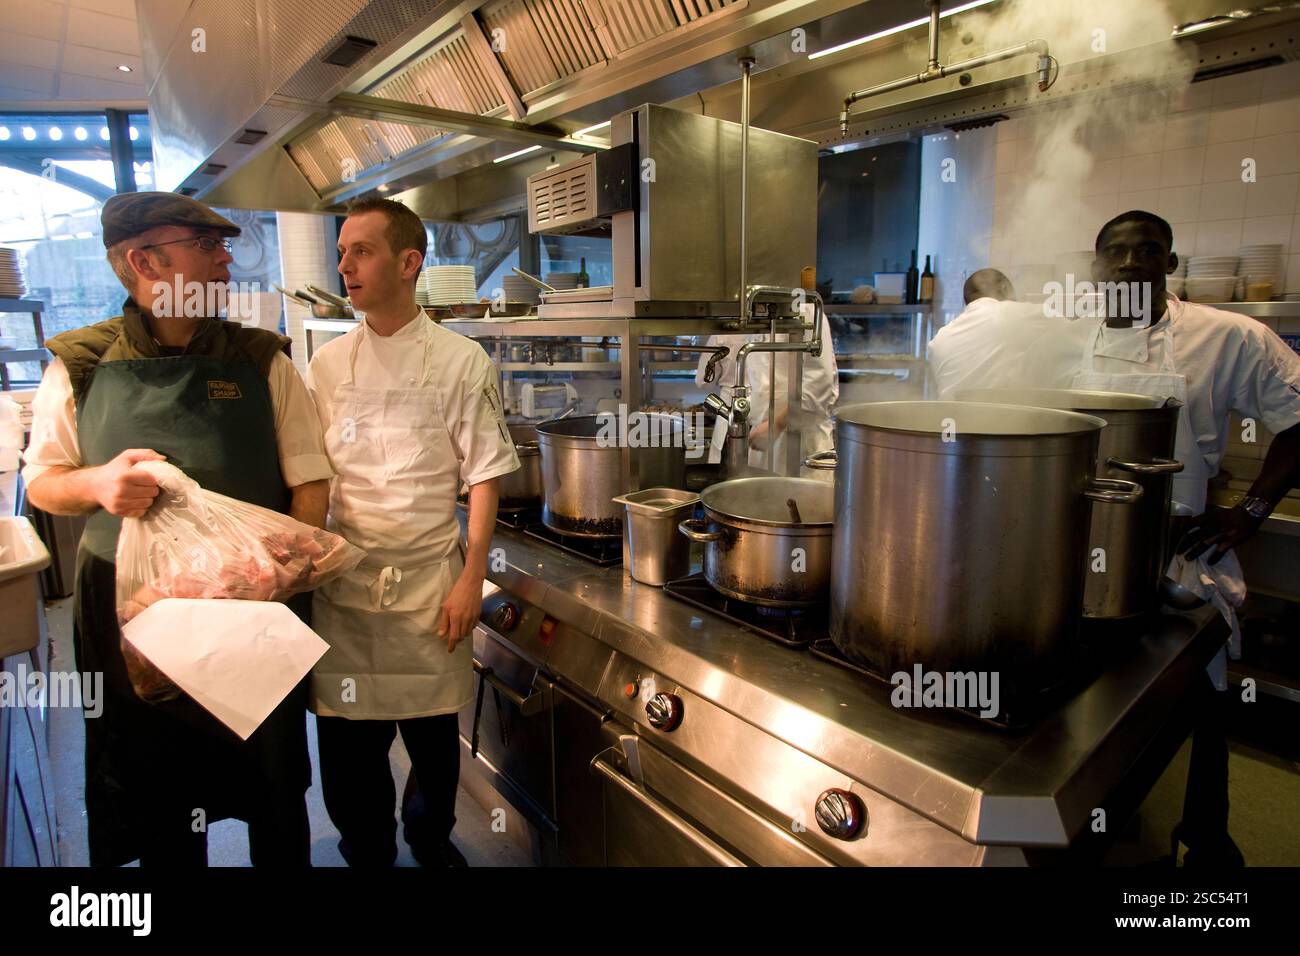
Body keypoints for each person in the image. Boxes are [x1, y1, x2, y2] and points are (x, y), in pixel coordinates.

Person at [22, 192, 332, 866]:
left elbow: (310, 482)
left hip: (252, 615)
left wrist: (281, 575)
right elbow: (42, 481)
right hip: (136, 625)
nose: (226, 260)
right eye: (204, 243)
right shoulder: (78, 364)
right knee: (162, 795)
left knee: (270, 787)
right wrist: (98, 484)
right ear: (144, 261)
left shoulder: (261, 360)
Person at [1071, 209, 1300, 865]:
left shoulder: (1225, 337)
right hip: (1080, 557)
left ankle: (1206, 849)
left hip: (1176, 561)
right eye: (1116, 251)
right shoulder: (1069, 340)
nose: (1129, 263)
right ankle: (1117, 837)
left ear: (1170, 265)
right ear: (1096, 265)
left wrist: (1249, 512)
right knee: (1097, 720)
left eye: (1148, 251)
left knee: (1191, 707)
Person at [306, 198, 519, 867]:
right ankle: (365, 851)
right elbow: (311, 477)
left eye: (360, 251)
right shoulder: (326, 364)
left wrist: (469, 580)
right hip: (343, 591)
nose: (344, 266)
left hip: (430, 587)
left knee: (432, 747)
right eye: (341, 253)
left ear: (408, 262)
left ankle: (428, 843)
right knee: (348, 751)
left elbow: (485, 474)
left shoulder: (461, 361)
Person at [696, 299, 839, 478]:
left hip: (800, 443)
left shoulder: (804, 309)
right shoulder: (756, 310)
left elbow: (819, 385)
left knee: (801, 505)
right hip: (764, 439)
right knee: (762, 501)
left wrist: (776, 424)